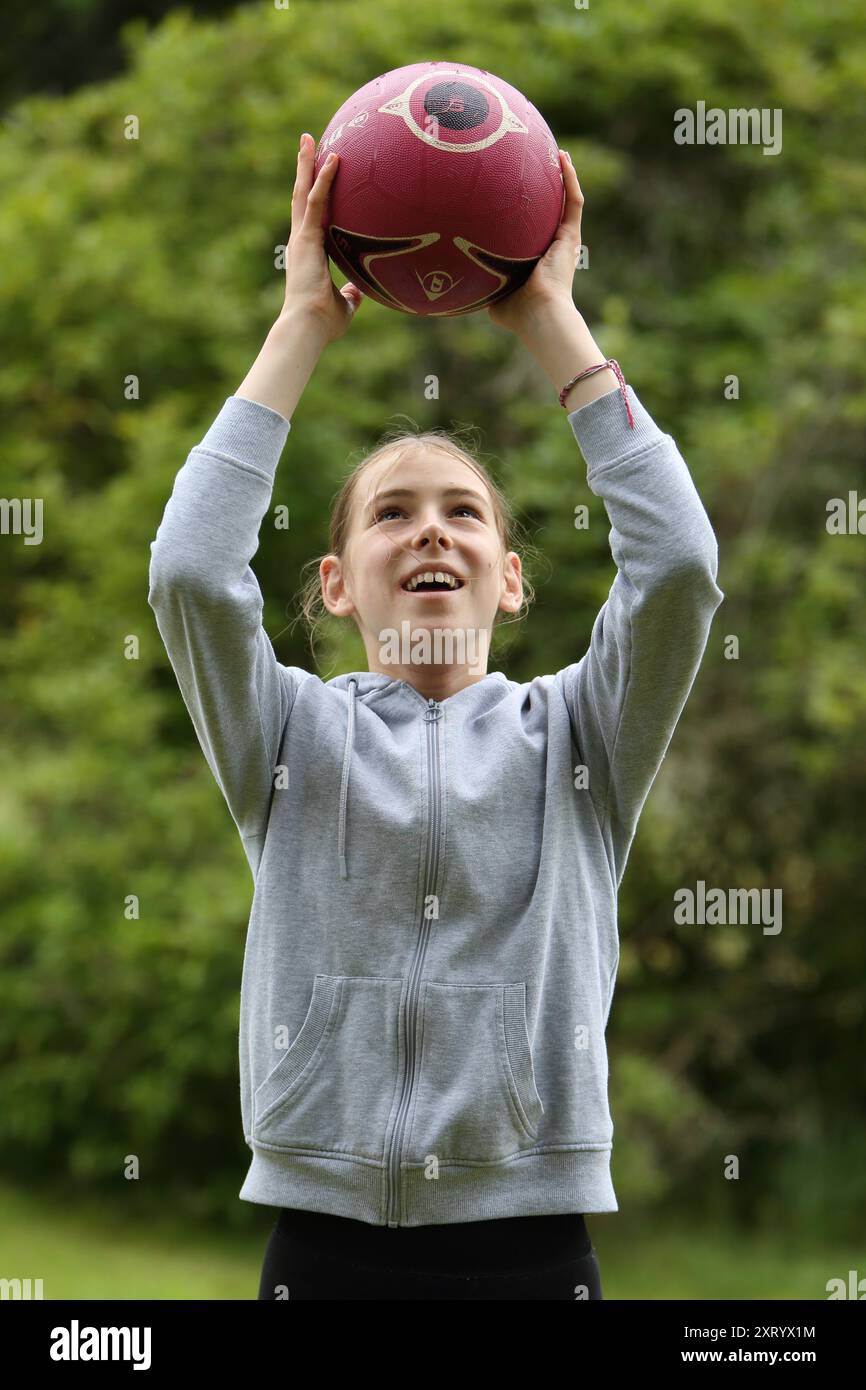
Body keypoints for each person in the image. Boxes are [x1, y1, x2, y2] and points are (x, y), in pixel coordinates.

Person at [148, 133, 724, 1300]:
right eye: (392, 513)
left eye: (464, 512)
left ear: (510, 577)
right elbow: (191, 574)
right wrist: (300, 321)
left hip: (531, 1241)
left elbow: (676, 571)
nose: (429, 530)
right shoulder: (287, 739)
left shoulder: (581, 739)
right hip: (321, 1239)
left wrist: (549, 320)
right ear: (332, 580)